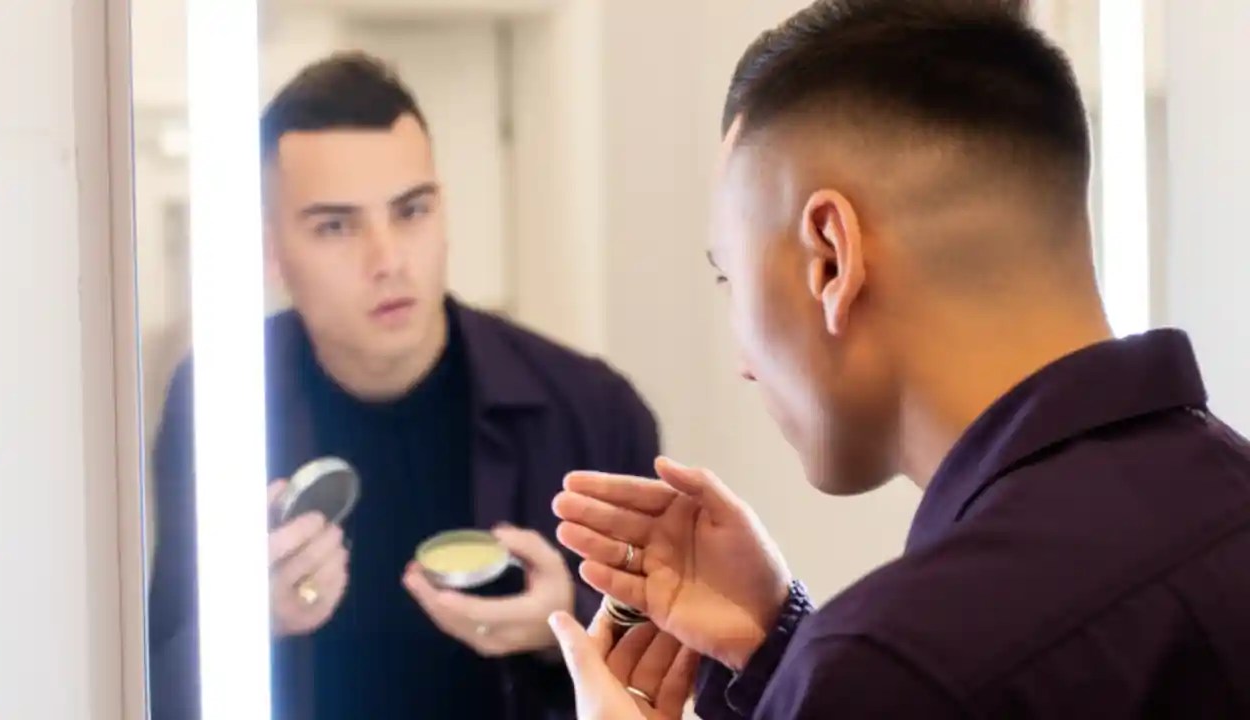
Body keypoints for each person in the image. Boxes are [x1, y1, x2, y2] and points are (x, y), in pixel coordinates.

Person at [546, 0, 1250, 717]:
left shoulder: (898, 669)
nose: (744, 364)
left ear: (830, 257)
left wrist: (828, 675)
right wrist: (781, 654)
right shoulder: (1224, 506)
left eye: (732, 276)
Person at [147, 52, 661, 720]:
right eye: (336, 225)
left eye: (411, 211)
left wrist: (565, 622)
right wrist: (247, 624)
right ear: (269, 251)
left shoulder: (589, 408)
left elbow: (671, 672)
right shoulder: (216, 400)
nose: (388, 261)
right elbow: (152, 676)